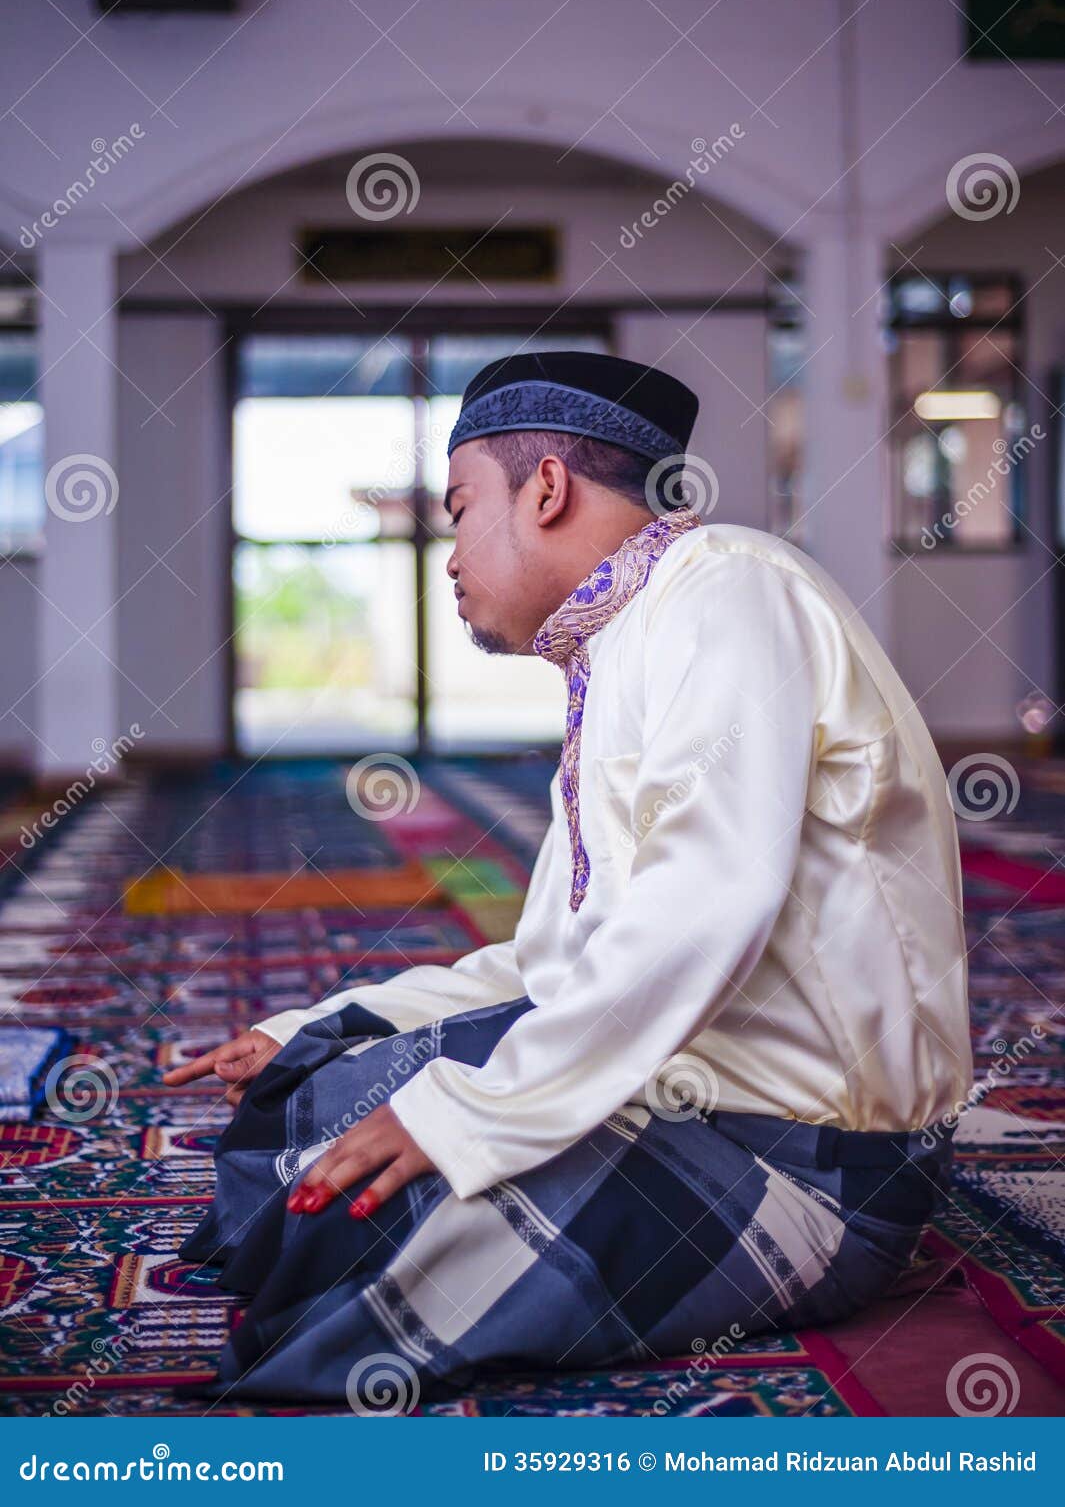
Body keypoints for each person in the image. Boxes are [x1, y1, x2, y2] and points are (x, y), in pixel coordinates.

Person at [164, 349, 972, 1409]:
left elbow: (705, 902)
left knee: (394, 1240)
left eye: (458, 511)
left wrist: (467, 1117)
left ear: (544, 489)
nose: (446, 555)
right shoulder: (618, 648)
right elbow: (552, 962)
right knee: (317, 1090)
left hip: (809, 1165)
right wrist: (323, 1019)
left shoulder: (730, 588)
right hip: (679, 1097)